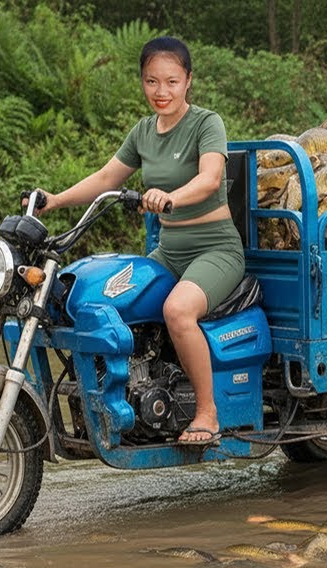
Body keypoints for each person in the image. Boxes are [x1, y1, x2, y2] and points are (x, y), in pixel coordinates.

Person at [28, 37, 241, 445]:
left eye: (172, 82)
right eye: (151, 82)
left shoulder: (206, 123)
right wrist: (53, 201)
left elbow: (211, 177)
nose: (161, 92)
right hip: (169, 250)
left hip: (215, 249)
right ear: (142, 82)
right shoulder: (143, 131)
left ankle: (208, 414)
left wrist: (171, 198)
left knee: (178, 310)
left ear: (188, 81)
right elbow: (107, 179)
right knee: (107, 298)